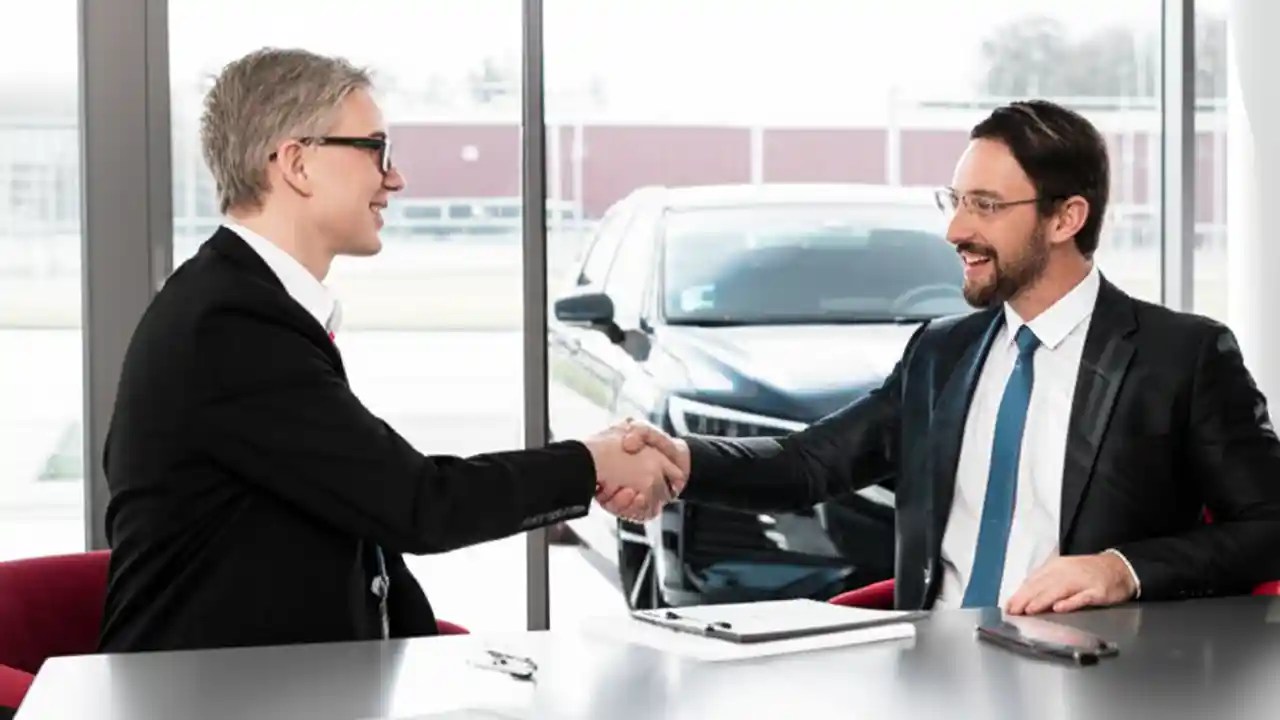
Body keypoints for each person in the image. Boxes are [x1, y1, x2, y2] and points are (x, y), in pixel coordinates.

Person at [97, 48, 680, 653]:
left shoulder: (243, 301)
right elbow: (417, 504)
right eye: (375, 150)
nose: (394, 178)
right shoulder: (228, 323)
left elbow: (358, 511)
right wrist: (591, 464)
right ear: (297, 163)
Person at [620, 99, 1280, 614]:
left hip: (1095, 675)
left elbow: (1269, 527)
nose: (956, 230)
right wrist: (683, 460)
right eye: (956, 201)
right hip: (932, 668)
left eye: (985, 207)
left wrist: (1121, 570)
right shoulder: (942, 353)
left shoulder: (1182, 357)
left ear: (1065, 218)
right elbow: (809, 464)